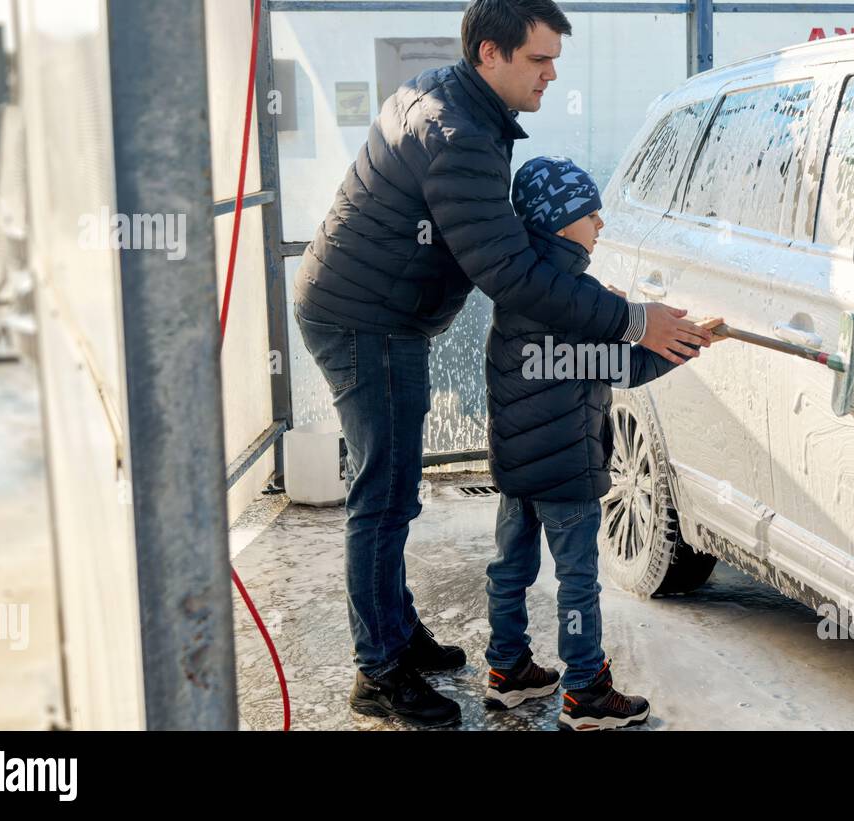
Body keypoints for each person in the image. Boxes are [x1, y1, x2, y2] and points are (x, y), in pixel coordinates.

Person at [293, 0, 714, 728]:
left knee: (396, 489)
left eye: (555, 59)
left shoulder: (453, 104)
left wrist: (597, 301)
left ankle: (398, 633)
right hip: (367, 322)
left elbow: (509, 260)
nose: (552, 74)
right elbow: (512, 275)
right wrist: (635, 320)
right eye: (539, 59)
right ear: (491, 53)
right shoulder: (458, 136)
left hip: (379, 315)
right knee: (384, 496)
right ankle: (379, 669)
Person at [482, 156, 723, 730]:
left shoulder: (527, 288)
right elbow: (623, 367)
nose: (601, 224)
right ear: (562, 223)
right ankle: (586, 689)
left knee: (510, 569)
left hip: (517, 468)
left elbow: (566, 360)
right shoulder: (572, 297)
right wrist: (683, 346)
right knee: (577, 583)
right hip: (566, 470)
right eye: (592, 213)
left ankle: (506, 669)